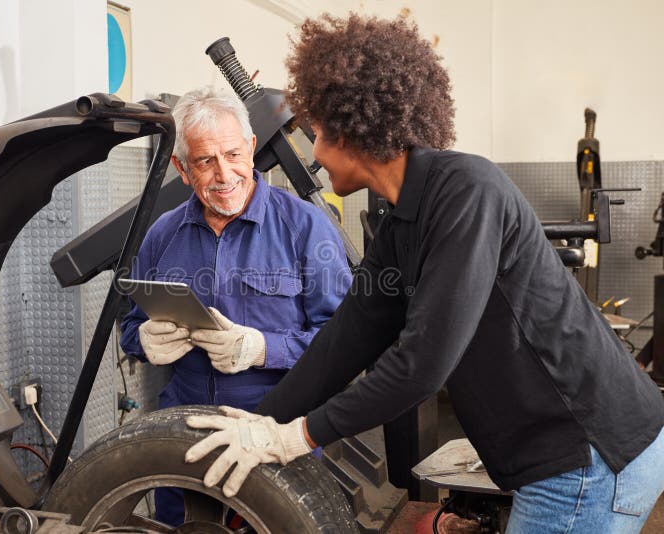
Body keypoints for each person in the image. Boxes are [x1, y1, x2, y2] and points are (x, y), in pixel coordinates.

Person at [183, 14, 664, 533]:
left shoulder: (466, 191)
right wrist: (263, 422)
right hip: (552, 458)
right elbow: (345, 340)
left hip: (586, 459)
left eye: (318, 135)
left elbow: (421, 364)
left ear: (353, 128)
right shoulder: (401, 222)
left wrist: (298, 436)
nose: (316, 156)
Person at [119, 86, 351, 525]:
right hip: (182, 438)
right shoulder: (161, 237)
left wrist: (263, 348)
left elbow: (343, 344)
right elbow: (132, 327)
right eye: (206, 161)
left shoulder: (305, 229)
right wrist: (142, 341)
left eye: (232, 154)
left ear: (249, 149)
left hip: (274, 433)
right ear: (182, 169)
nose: (224, 174)